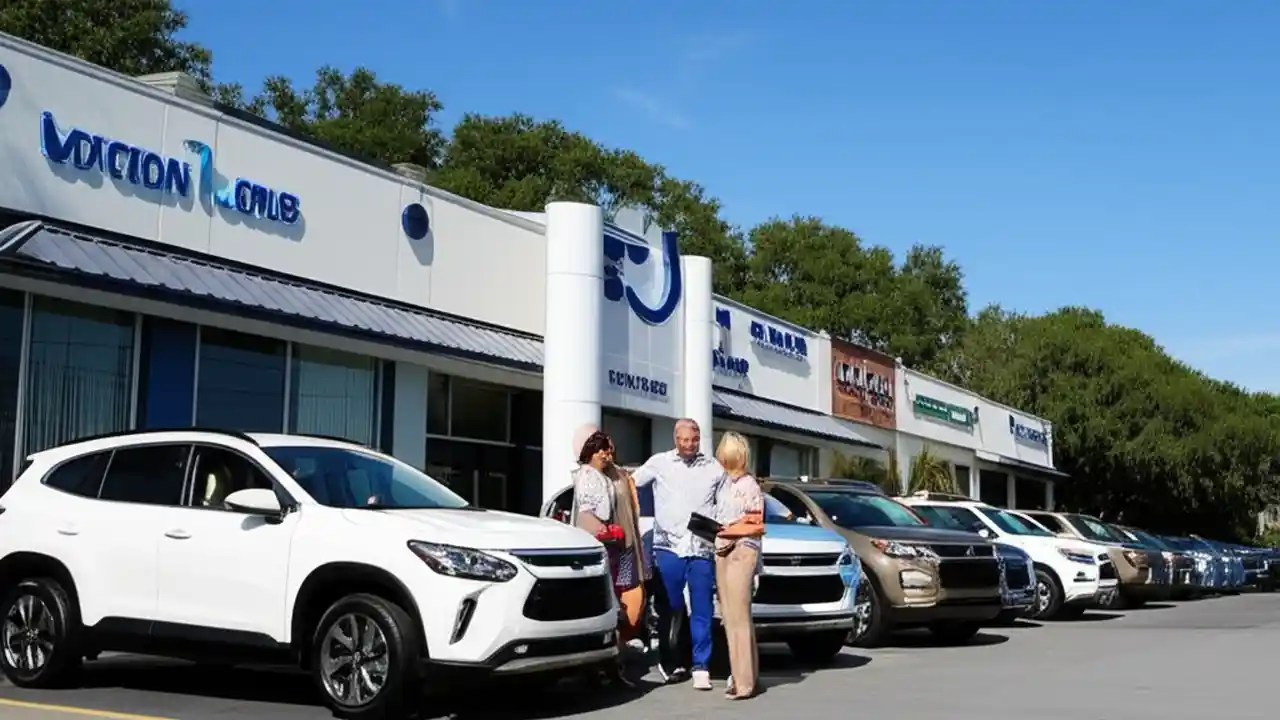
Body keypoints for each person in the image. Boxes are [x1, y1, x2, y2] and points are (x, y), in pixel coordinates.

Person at [631, 418, 725, 690]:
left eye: (693, 440)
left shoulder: (712, 467)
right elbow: (630, 484)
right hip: (668, 547)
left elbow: (727, 498)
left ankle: (701, 666)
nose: (688, 445)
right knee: (670, 608)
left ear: (699, 439)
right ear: (675, 439)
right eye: (684, 440)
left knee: (703, 609)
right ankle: (671, 661)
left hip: (701, 548)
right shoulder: (659, 463)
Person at [571, 429, 646, 687]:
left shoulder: (611, 476)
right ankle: (601, 669)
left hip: (615, 550)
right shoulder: (587, 477)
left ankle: (613, 664)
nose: (607, 453)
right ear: (591, 451)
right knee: (605, 607)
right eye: (602, 448)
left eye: (609, 449)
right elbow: (587, 513)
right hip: (599, 550)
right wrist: (603, 531)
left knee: (619, 605)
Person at [712, 431, 766, 700]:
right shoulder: (724, 484)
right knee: (728, 617)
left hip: (741, 550)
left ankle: (745, 682)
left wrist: (728, 530)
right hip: (722, 549)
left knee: (739, 618)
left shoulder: (748, 485)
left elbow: (754, 523)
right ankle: (742, 675)